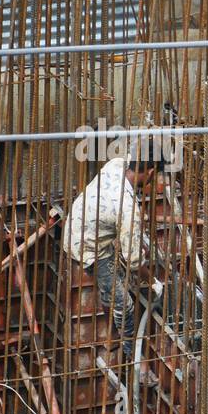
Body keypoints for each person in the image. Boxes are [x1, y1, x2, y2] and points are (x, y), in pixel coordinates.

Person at [62, 154, 158, 383]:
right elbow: (135, 263)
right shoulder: (128, 209)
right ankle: (135, 358)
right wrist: (153, 282)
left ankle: (113, 332)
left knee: (111, 285)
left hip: (79, 226)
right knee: (123, 303)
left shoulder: (116, 164)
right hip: (88, 248)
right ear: (152, 173)